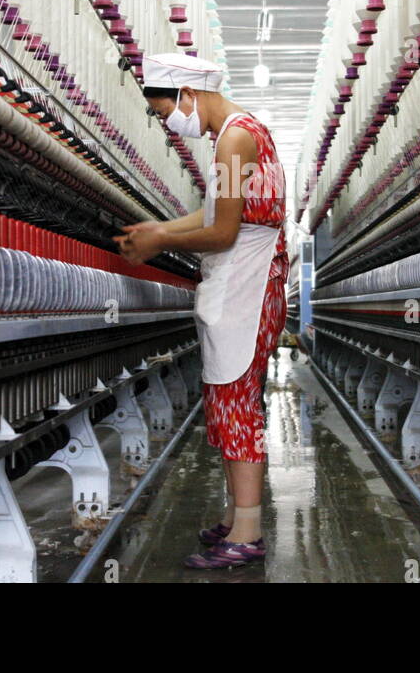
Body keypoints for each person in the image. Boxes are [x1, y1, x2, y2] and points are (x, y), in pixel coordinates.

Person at [114, 52, 288, 570]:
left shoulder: (236, 138)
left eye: (167, 112)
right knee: (227, 402)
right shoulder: (235, 136)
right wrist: (162, 227)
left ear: (188, 95)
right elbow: (215, 213)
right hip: (238, 284)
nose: (170, 124)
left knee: (238, 404)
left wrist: (160, 242)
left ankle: (249, 533)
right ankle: (238, 519)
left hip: (248, 287)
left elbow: (224, 232)